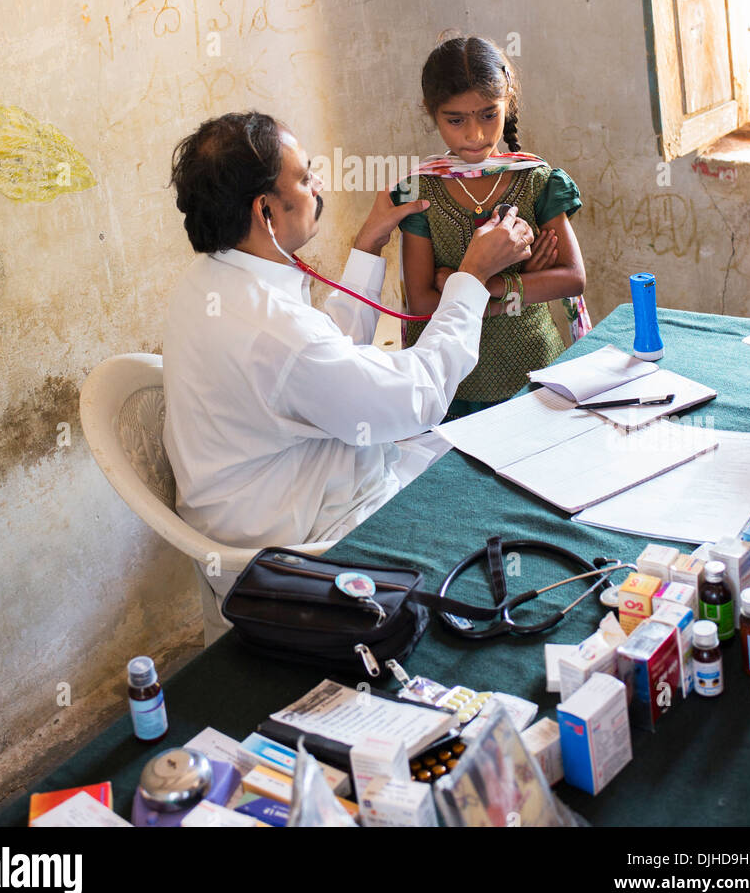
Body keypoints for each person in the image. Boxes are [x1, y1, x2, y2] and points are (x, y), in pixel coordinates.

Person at [161, 110, 534, 554]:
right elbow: (420, 396)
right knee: (508, 499)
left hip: (285, 489)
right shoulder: (274, 330)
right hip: (310, 539)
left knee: (477, 457)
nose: (318, 187)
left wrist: (368, 244)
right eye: (304, 180)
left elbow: (322, 367)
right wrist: (473, 275)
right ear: (265, 211)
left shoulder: (209, 280)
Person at [391, 36, 587, 419]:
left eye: (487, 114)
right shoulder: (421, 192)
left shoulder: (536, 180)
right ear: (432, 113)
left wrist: (479, 284)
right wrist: (525, 285)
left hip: (533, 371)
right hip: (451, 381)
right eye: (455, 120)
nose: (475, 134)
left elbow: (573, 279)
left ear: (507, 102)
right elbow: (423, 304)